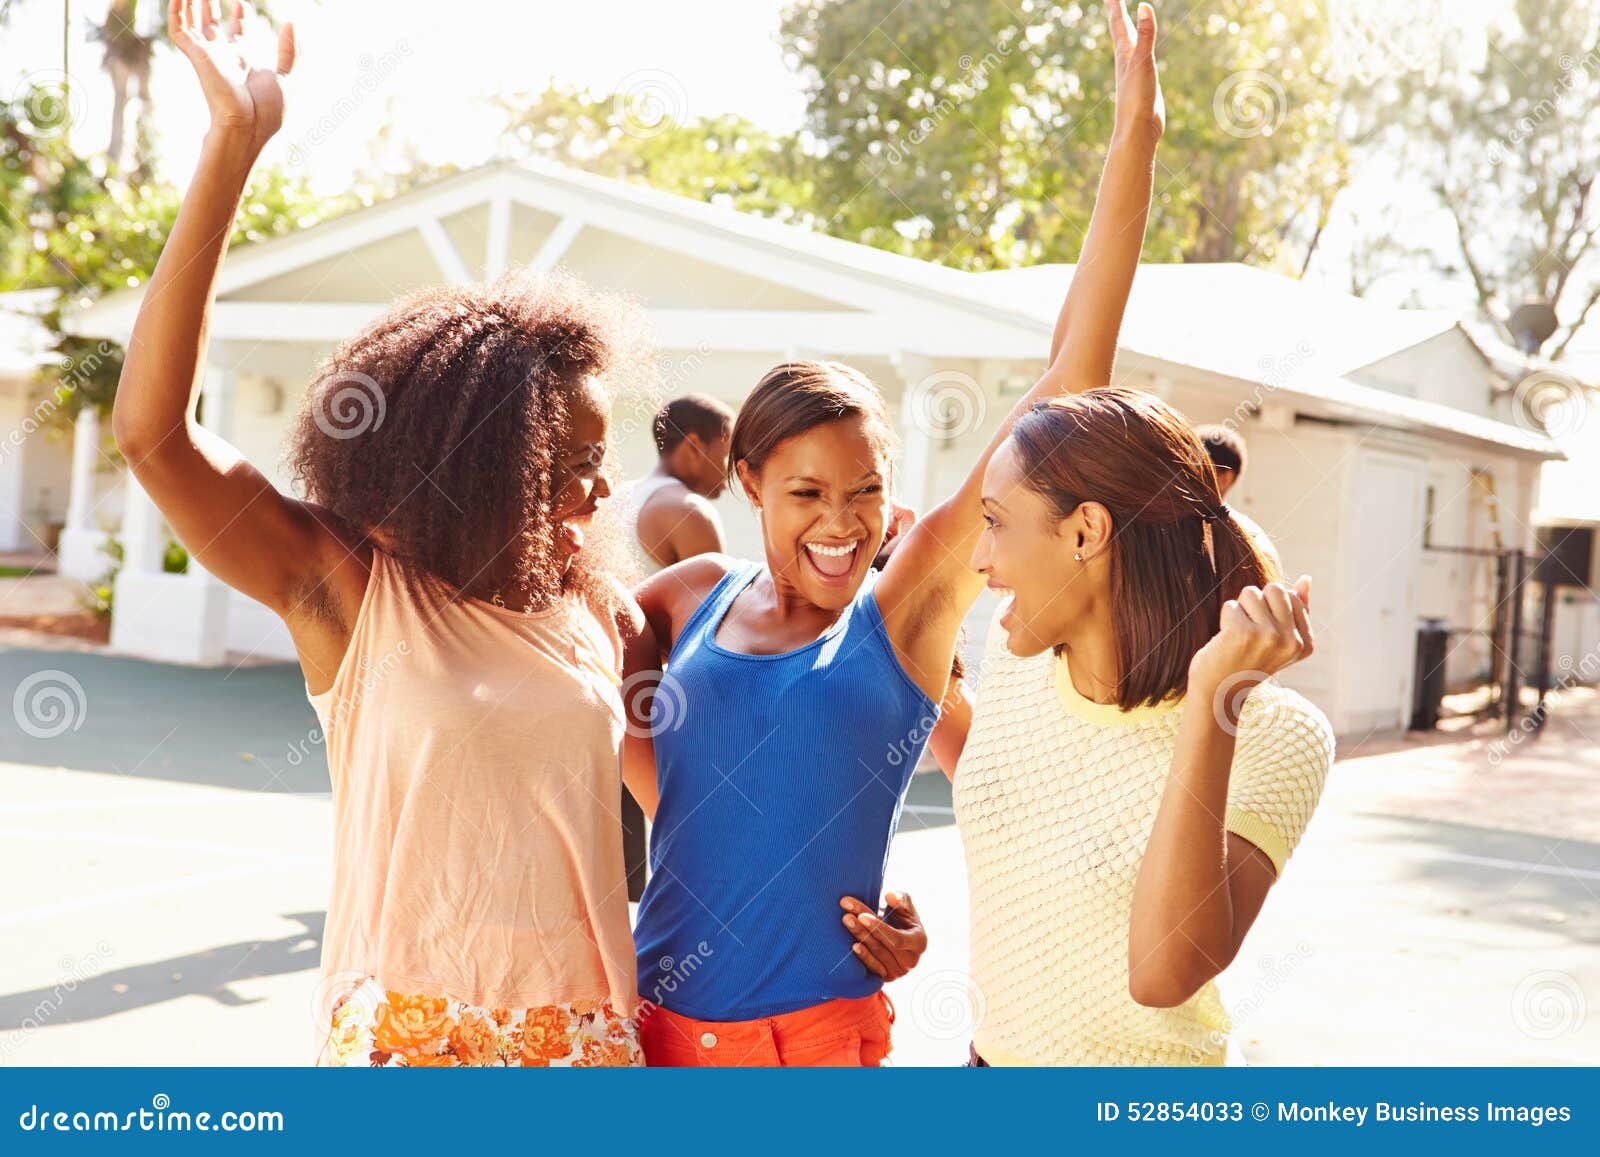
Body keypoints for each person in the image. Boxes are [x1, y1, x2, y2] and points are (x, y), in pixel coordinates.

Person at [623, 0, 1165, 1067]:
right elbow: (640, 757)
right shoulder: (683, 596)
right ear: (746, 482)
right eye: (805, 494)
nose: (841, 524)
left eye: (863, 490)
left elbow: (1069, 377)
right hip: (648, 1033)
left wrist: (1132, 135)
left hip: (814, 1046)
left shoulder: (902, 607)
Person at [119, 2, 649, 1067]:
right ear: (485, 462)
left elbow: (676, 817)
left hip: (585, 1049)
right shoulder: (355, 592)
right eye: (567, 459)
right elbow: (153, 436)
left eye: (603, 452)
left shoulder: (595, 607)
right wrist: (232, 148)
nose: (601, 484)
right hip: (406, 1047)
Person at [958, 390, 1333, 1066]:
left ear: (1085, 532)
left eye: (995, 522)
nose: (980, 556)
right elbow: (1023, 804)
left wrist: (1214, 699)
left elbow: (1165, 972)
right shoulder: (1017, 660)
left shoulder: (1276, 733)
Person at [619, 394, 734, 899]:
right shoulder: (688, 511)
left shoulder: (617, 499)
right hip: (659, 715)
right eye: (725, 453)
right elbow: (717, 633)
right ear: (692, 448)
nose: (731, 471)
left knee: (611, 883)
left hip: (601, 698)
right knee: (691, 869)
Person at [1193, 423, 1281, 569]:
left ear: (1224, 479)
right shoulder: (1171, 526)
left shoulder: (1252, 540)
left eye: (1197, 467)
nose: (1183, 475)